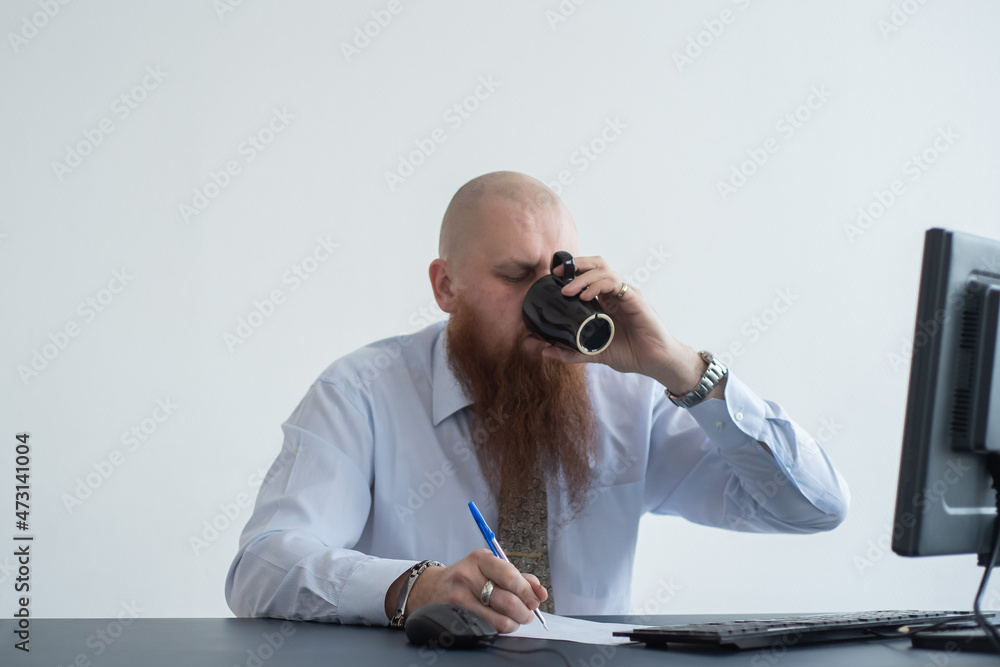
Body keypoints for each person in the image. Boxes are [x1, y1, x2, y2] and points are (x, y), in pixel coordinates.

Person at [225, 171, 849, 633]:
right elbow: (262, 567)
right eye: (514, 276)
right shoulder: (362, 393)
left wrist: (682, 368)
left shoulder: (628, 393)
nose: (543, 300)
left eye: (557, 276)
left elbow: (811, 509)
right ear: (446, 286)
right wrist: (417, 587)